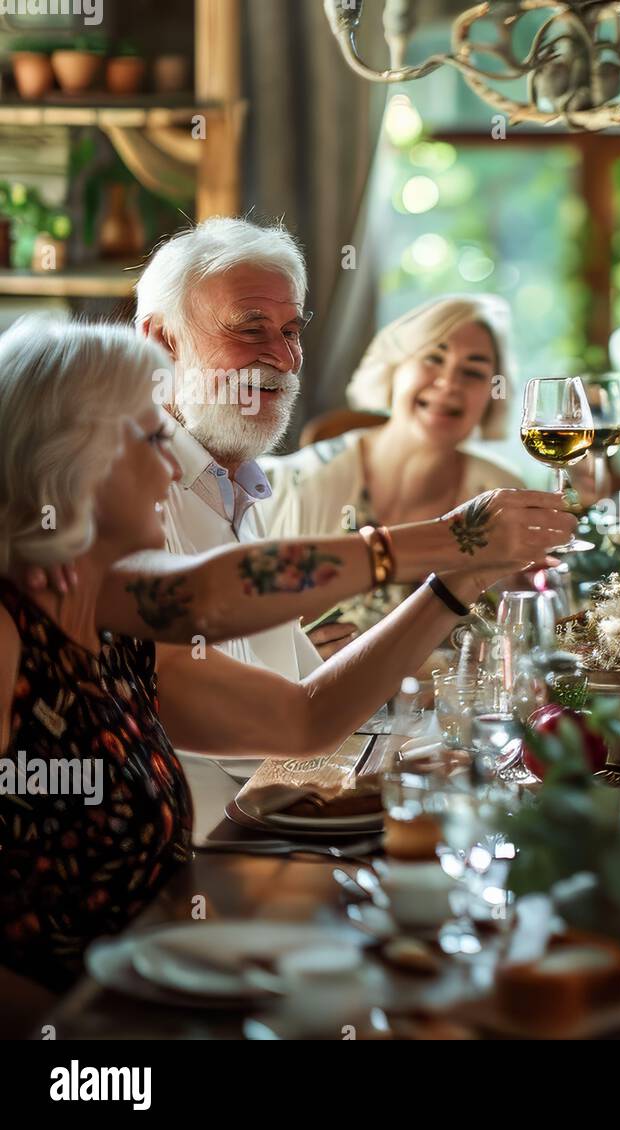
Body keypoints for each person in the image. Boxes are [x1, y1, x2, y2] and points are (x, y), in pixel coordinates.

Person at [0, 317, 575, 991]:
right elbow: (216, 596)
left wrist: (454, 581)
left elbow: (302, 716)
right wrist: (454, 538)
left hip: (166, 975)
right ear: (77, 455)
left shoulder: (110, 606)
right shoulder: (11, 628)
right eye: (153, 436)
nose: (172, 463)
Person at [261, 295, 525, 657]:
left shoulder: (502, 493)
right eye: (433, 358)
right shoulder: (299, 485)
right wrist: (290, 655)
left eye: (473, 371)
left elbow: (516, 636)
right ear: (394, 369)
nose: (450, 382)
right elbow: (260, 639)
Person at [135, 216, 324, 679]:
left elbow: (298, 686)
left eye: (291, 331)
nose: (284, 358)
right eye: (250, 329)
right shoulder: (128, 492)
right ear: (163, 340)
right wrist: (446, 584)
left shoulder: (234, 479)